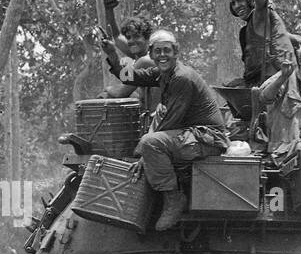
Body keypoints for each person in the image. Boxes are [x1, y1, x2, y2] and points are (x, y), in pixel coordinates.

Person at [97, 28, 229, 231]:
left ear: (176, 52)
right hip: (192, 136)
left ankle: (173, 198)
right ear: (150, 54)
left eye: (167, 50)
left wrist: (144, 155)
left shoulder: (181, 77)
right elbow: (129, 77)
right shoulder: (161, 73)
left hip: (207, 138)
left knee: (150, 143)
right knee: (150, 143)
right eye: (157, 51)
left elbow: (171, 121)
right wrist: (113, 54)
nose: (162, 55)